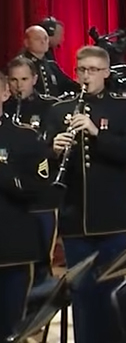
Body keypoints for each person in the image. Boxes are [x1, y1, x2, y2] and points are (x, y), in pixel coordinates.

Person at [43, 46, 126, 343]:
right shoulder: (59, 110)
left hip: (113, 214)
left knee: (112, 289)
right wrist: (53, 150)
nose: (86, 76)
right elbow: (42, 161)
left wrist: (97, 133)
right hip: (75, 217)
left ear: (106, 73)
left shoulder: (124, 108)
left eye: (93, 70)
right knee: (82, 292)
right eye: (81, 70)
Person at [0, 109, 53, 336]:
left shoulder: (25, 137)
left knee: (11, 329)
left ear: (4, 94)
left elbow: (38, 188)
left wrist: (3, 171)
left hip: (12, 251)